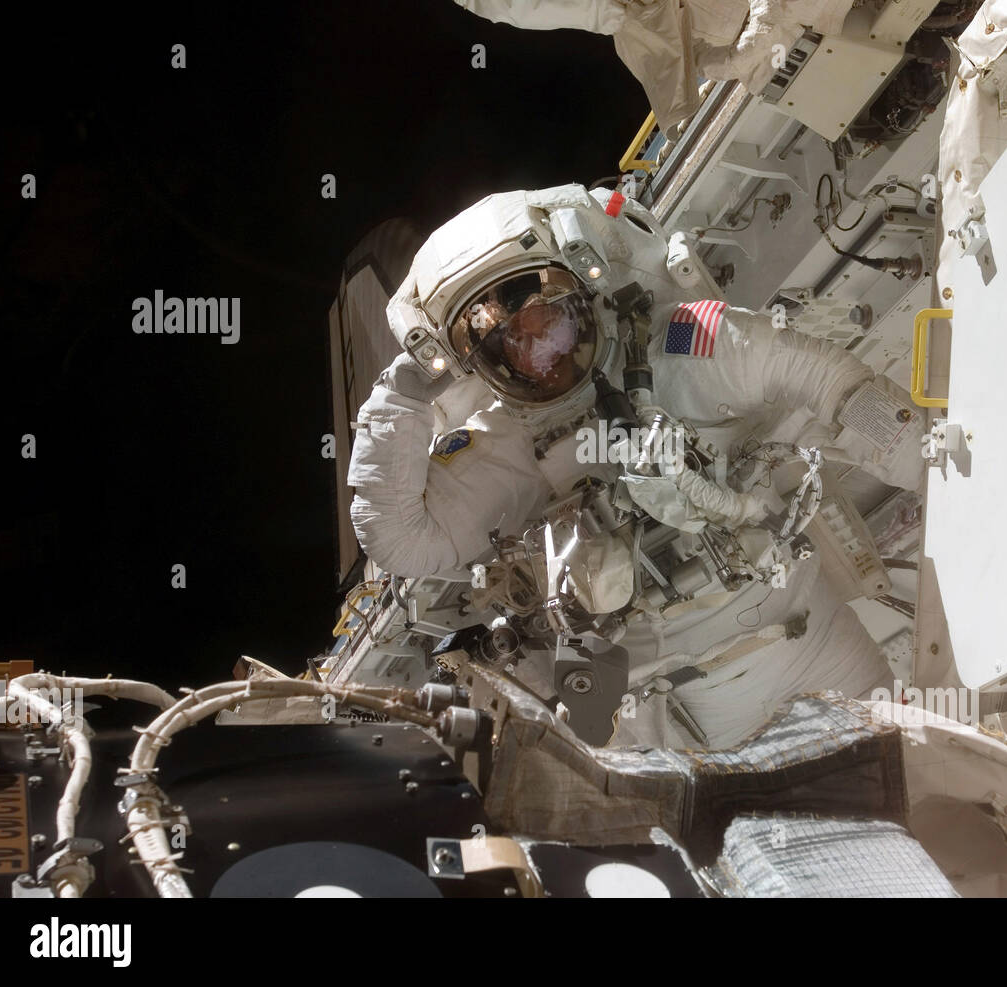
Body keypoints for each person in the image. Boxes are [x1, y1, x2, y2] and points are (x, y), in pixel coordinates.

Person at [348, 183, 923, 748]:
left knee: (918, 795)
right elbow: (401, 542)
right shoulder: (510, 443)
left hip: (806, 647)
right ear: (480, 365)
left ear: (581, 293)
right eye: (508, 347)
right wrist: (399, 395)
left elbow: (830, 384)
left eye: (544, 323)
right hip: (669, 714)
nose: (537, 355)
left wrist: (936, 462)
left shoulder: (682, 347)